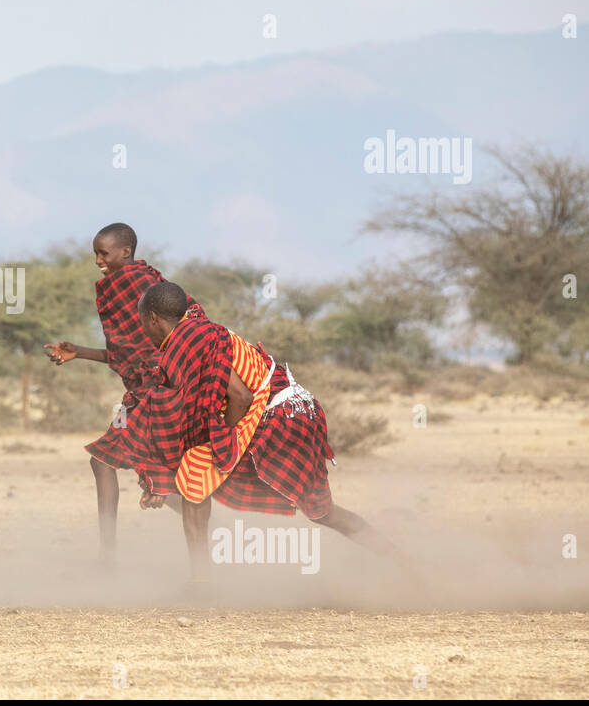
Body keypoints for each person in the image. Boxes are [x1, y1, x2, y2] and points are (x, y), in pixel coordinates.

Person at [129, 281, 403, 579]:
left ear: (153, 318)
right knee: (198, 478)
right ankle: (406, 565)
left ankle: (201, 583)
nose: (144, 331)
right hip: (296, 406)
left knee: (320, 511)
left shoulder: (189, 341)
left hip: (280, 417)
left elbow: (241, 397)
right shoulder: (195, 326)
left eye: (144, 323)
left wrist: (225, 445)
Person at [44, 223, 177, 556]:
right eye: (95, 253)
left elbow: (171, 344)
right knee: (107, 463)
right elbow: (125, 354)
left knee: (112, 465)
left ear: (125, 251)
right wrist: (79, 352)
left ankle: (108, 556)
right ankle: (201, 529)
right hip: (137, 396)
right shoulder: (121, 286)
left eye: (103, 253)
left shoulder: (144, 286)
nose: (98, 260)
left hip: (159, 391)